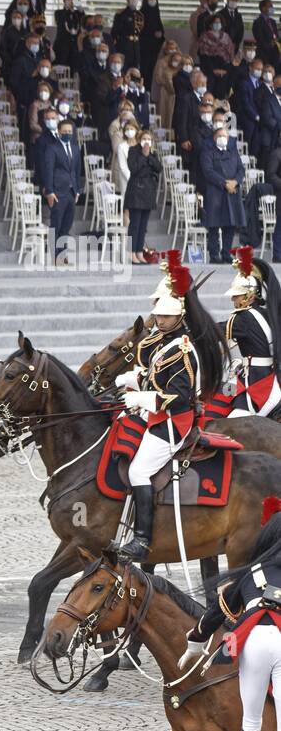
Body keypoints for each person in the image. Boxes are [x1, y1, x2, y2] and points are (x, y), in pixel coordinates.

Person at [110, 259, 224, 562]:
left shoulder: (182, 349)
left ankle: (143, 540)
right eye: (158, 314)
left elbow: (179, 396)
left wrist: (143, 400)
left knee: (139, 470)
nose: (159, 319)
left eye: (166, 316)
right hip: (156, 413)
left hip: (174, 420)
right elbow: (151, 375)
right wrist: (129, 379)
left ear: (180, 317)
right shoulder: (162, 340)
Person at [179, 504, 281, 731]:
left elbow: (213, 617)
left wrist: (194, 644)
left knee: (251, 722)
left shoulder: (250, 573)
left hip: (253, 643)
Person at [219, 247, 281, 417]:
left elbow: (213, 332)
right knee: (220, 394)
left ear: (251, 296)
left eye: (237, 295)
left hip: (260, 384)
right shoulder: (266, 312)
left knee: (232, 425)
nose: (233, 299)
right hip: (255, 375)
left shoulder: (244, 318)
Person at [39, 117, 83, 263]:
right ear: (58, 132)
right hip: (57, 192)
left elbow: (77, 171)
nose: (67, 134)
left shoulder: (76, 148)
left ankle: (62, 255)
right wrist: (50, 191)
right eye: (64, 131)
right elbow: (48, 170)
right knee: (55, 225)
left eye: (70, 131)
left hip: (71, 192)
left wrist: (77, 190)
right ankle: (54, 255)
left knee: (66, 226)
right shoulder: (52, 148)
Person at [201, 126, 246, 262]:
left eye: (225, 136)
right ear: (214, 138)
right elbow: (208, 171)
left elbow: (241, 169)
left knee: (230, 225)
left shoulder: (233, 152)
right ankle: (214, 255)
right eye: (220, 136)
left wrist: (235, 182)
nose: (223, 139)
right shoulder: (208, 152)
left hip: (232, 192)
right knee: (214, 226)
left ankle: (226, 253)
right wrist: (225, 183)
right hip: (216, 193)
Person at [125, 131, 159, 262]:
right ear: (139, 140)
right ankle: (131, 252)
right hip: (136, 192)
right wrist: (144, 157)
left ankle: (139, 251)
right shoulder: (133, 151)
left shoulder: (153, 153)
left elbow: (158, 168)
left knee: (143, 225)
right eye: (144, 138)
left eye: (149, 139)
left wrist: (149, 156)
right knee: (135, 224)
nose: (146, 141)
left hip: (148, 193)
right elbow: (133, 168)